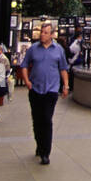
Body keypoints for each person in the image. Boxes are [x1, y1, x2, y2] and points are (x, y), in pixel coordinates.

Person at [19, 20, 70, 165]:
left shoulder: (58, 49)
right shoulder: (33, 49)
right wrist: (27, 81)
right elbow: (23, 65)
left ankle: (45, 152)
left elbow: (63, 69)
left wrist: (65, 86)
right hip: (35, 89)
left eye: (45, 32)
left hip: (51, 90)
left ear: (52, 34)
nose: (42, 35)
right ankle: (39, 144)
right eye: (42, 32)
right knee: (37, 120)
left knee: (47, 120)